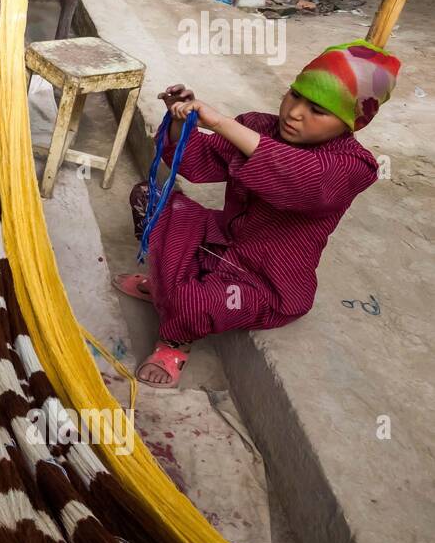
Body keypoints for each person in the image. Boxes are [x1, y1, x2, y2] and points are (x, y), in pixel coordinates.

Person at [114, 39, 402, 387]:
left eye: (318, 110)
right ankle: (163, 287)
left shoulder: (352, 166)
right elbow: (197, 161)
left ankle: (174, 341)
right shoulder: (259, 127)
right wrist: (180, 119)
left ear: (352, 123)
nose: (294, 112)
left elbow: (299, 177)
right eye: (295, 94)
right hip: (222, 241)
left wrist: (219, 122)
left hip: (266, 280)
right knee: (150, 200)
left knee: (193, 299)